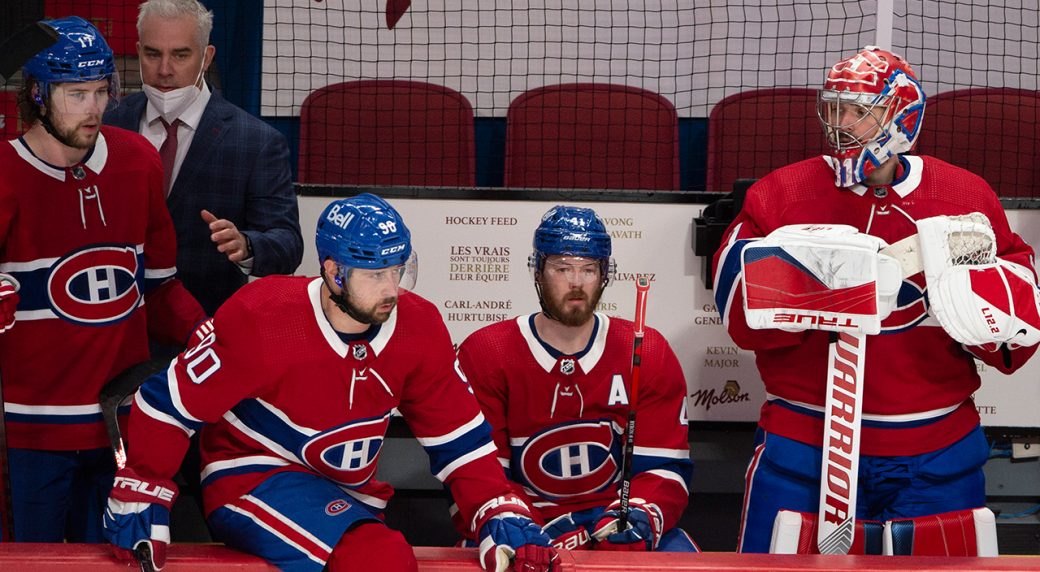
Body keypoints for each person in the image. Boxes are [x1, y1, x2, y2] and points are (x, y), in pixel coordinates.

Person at [103, 194, 557, 571]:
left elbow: (459, 439)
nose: (392, 289)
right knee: (380, 559)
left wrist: (497, 504)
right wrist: (142, 485)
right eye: (376, 275)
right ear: (334, 272)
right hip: (251, 473)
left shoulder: (419, 327)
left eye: (398, 271)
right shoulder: (264, 317)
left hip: (347, 489)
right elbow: (168, 403)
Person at [712, 46, 1040, 553]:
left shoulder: (966, 198)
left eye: (857, 111)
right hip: (805, 448)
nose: (838, 123)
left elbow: (1016, 341)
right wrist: (829, 281)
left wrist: (970, 302)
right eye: (833, 108)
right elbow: (737, 313)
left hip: (938, 456)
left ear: (901, 115)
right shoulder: (782, 194)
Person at [0, 16, 205, 542]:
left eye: (101, 91)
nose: (93, 108)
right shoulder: (4, 176)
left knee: (115, 559)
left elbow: (160, 288)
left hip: (121, 426)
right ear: (39, 95)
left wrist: (211, 337)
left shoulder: (137, 162)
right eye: (76, 94)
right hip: (28, 434)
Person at [457, 205, 698, 553]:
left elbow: (662, 468)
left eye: (588, 269)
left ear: (604, 274)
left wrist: (638, 513)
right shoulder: (487, 352)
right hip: (524, 525)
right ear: (537, 270)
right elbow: (482, 473)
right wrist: (513, 522)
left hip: (612, 522)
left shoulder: (647, 350)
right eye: (562, 268)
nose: (576, 282)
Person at [104, 0, 302, 317]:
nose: (164, 69)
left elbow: (287, 245)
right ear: (139, 51)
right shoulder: (108, 126)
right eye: (152, 54)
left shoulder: (256, 142)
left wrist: (246, 245)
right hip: (117, 327)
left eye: (180, 55)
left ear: (206, 57)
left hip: (206, 332)